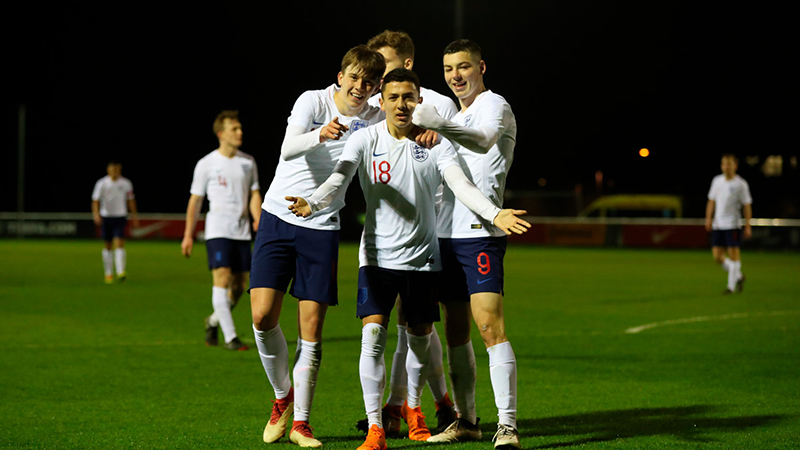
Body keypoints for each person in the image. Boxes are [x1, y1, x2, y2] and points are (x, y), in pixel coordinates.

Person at [285, 68, 529, 450]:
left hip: (422, 260)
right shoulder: (365, 139)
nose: (402, 104)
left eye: (409, 97)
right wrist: (313, 201)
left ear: (419, 101)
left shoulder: (434, 145)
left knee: (419, 343)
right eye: (394, 97)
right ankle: (375, 428)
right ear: (380, 103)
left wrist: (494, 213)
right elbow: (340, 177)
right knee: (372, 337)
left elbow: (460, 184)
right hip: (377, 258)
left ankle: (414, 407)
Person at [249, 45, 385, 448]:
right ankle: (282, 399)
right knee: (261, 316)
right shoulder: (313, 101)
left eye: (369, 81)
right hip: (277, 215)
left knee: (311, 330)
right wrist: (319, 134)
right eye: (355, 77)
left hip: (321, 225)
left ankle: (302, 424)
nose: (360, 87)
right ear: (341, 76)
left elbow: (412, 110)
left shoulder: (375, 116)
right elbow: (287, 149)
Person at [411, 39, 521, 448]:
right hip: (443, 234)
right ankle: (467, 420)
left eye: (463, 67)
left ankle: (507, 426)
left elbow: (484, 140)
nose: (455, 76)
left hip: (480, 235)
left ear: (481, 67)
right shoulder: (453, 117)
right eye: (447, 69)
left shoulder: (494, 106)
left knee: (489, 325)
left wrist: (438, 125)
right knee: (456, 330)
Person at [359, 29, 459, 437]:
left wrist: (443, 136)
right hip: (387, 236)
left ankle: (415, 404)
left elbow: (457, 158)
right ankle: (412, 406)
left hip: (434, 230)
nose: (377, 76)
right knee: (401, 327)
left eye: (383, 65)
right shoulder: (377, 103)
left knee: (419, 326)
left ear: (408, 64)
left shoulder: (437, 104)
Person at [181, 110, 262, 352]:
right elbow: (195, 201)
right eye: (234, 129)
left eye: (240, 128)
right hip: (217, 230)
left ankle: (213, 320)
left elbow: (254, 193)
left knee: (238, 287)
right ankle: (231, 337)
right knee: (222, 278)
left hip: (242, 231)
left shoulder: (248, 162)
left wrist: (258, 218)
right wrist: (188, 234)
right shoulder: (206, 164)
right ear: (221, 134)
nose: (240, 132)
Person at [705, 153, 753, 294]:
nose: (726, 167)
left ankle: (730, 287)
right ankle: (738, 276)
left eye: (729, 164)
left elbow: (747, 205)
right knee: (717, 257)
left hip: (732, 224)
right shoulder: (717, 181)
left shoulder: (741, 184)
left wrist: (748, 225)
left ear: (735, 166)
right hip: (718, 224)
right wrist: (708, 218)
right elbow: (711, 200)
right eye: (724, 164)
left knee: (733, 255)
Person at [91, 159, 139, 283]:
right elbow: (95, 200)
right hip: (106, 217)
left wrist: (134, 216)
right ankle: (108, 273)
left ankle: (120, 271)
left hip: (120, 216)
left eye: (117, 169)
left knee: (119, 243)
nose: (115, 171)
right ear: (108, 170)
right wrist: (96, 215)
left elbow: (131, 200)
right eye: (113, 169)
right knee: (107, 246)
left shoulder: (126, 183)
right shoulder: (102, 183)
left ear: (120, 170)